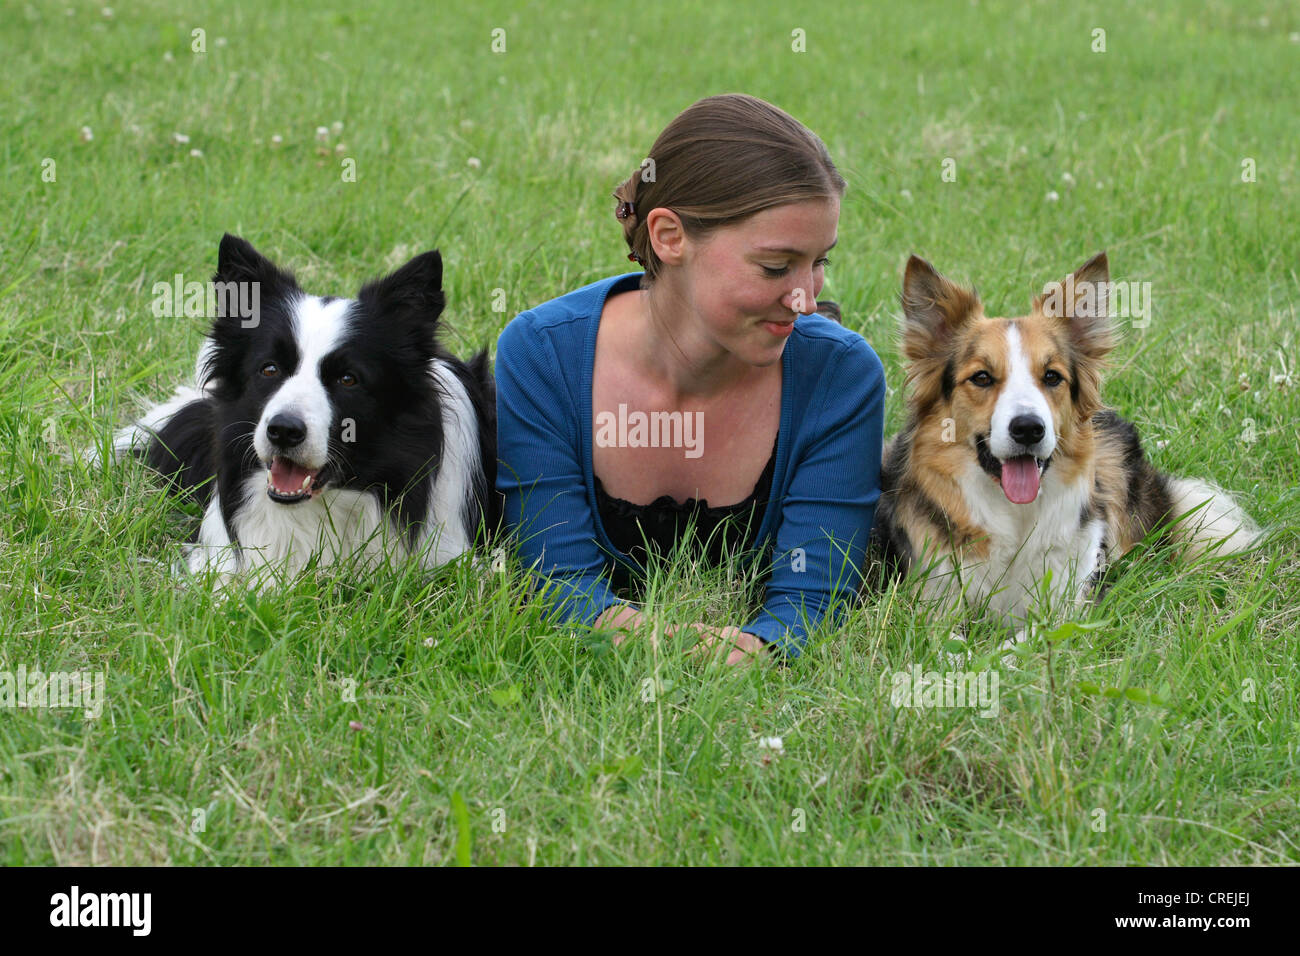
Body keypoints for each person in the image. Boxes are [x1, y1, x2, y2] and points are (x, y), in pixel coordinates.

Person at [495, 93, 885, 664]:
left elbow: (813, 603)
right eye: (776, 266)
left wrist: (758, 652)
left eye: (820, 261)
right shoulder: (541, 355)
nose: (806, 298)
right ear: (669, 237)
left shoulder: (841, 377)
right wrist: (695, 651)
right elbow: (556, 583)